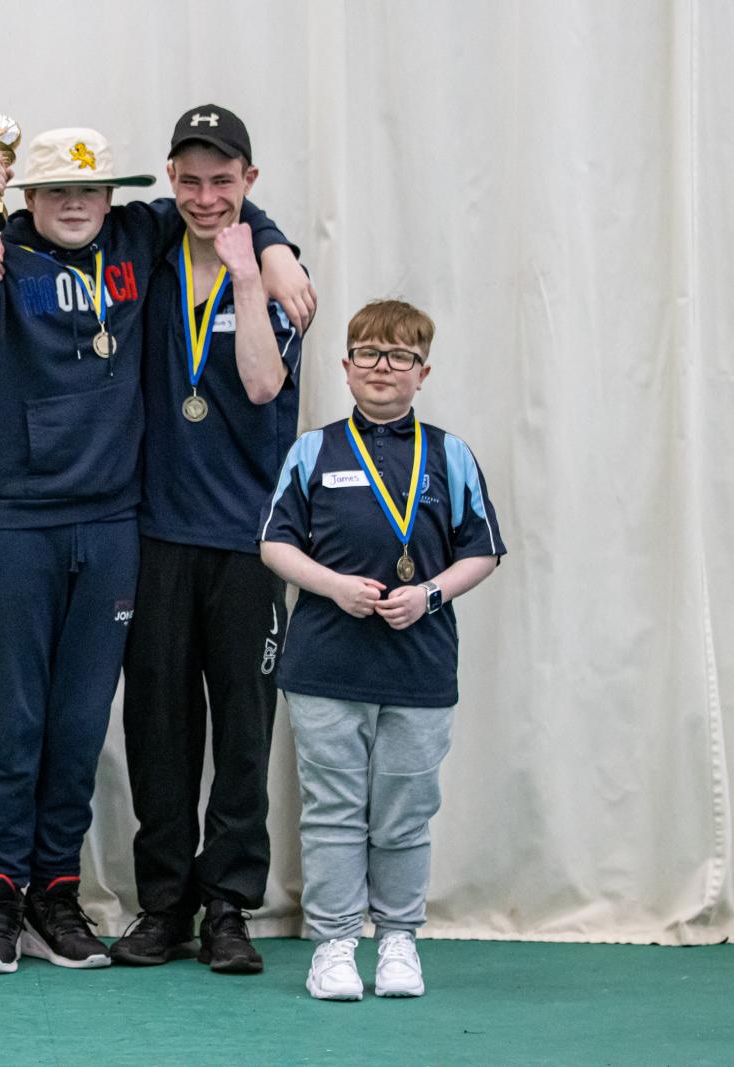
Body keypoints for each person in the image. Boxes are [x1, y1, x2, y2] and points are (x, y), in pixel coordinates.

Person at [0, 125, 300, 973]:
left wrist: (274, 246)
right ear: (29, 199)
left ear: (114, 195)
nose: (75, 205)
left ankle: (55, 892)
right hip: (13, 522)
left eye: (89, 191)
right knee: (16, 720)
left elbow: (216, 201)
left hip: (114, 525)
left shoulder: (141, 234)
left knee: (80, 724)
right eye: (53, 193)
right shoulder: (0, 254)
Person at [258, 299, 505, 1000]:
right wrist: (334, 586)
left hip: (418, 665)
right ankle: (335, 943)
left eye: (399, 356)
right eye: (367, 353)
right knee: (333, 805)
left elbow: (482, 550)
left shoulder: (450, 454)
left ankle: (398, 939)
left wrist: (428, 595)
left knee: (404, 805)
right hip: (326, 662)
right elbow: (275, 544)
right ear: (345, 365)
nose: (381, 368)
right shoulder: (313, 450)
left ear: (422, 372)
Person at [112, 105, 303, 975]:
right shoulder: (149, 254)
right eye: (188, 179)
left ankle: (229, 903)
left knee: (243, 728)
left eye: (222, 181)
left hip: (248, 542)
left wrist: (257, 270)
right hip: (155, 534)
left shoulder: (278, 277)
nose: (204, 196)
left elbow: (264, 386)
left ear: (249, 182)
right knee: (158, 727)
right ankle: (164, 904)